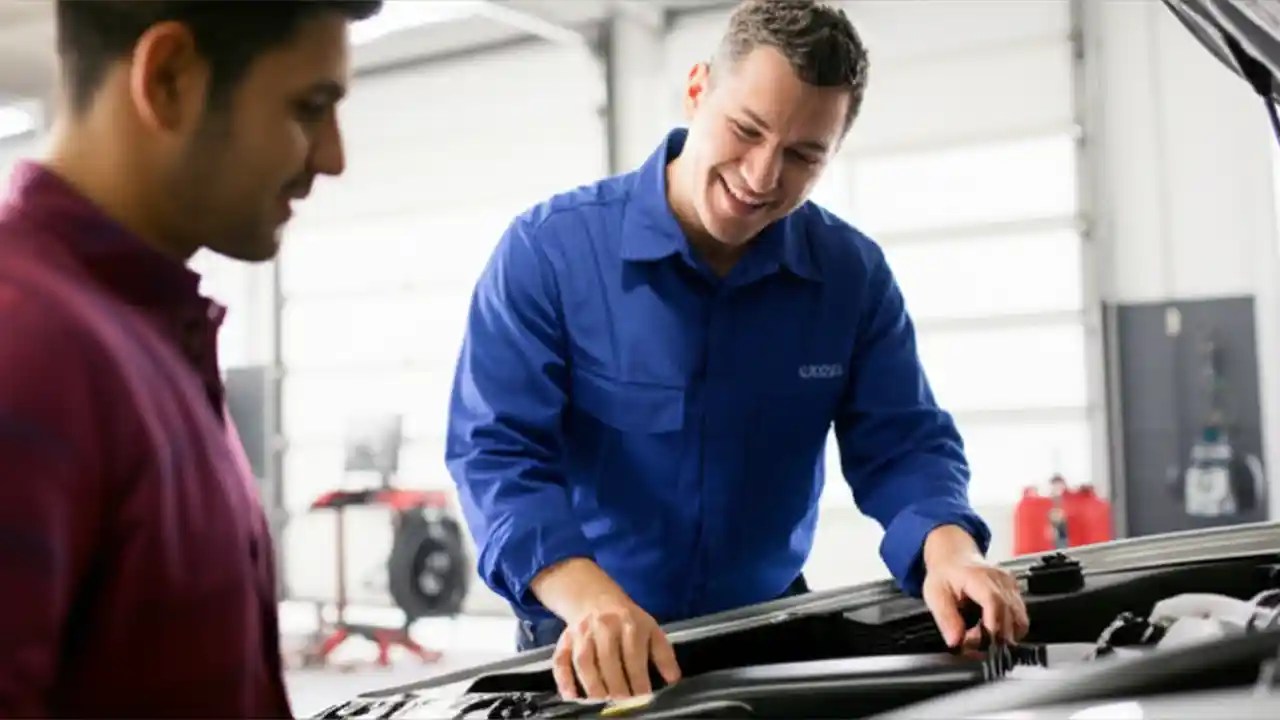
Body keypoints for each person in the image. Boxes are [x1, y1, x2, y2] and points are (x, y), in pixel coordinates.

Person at [446, 0, 1029, 702]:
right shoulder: (548, 254)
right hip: (588, 639)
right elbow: (498, 456)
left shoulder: (851, 277)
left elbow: (904, 444)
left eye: (802, 156)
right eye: (745, 130)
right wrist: (590, 600)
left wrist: (949, 553)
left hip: (769, 629)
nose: (761, 175)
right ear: (697, 90)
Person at [0, 1, 380, 716]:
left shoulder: (141, 333)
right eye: (309, 106)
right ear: (170, 78)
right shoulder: (28, 349)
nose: (332, 158)